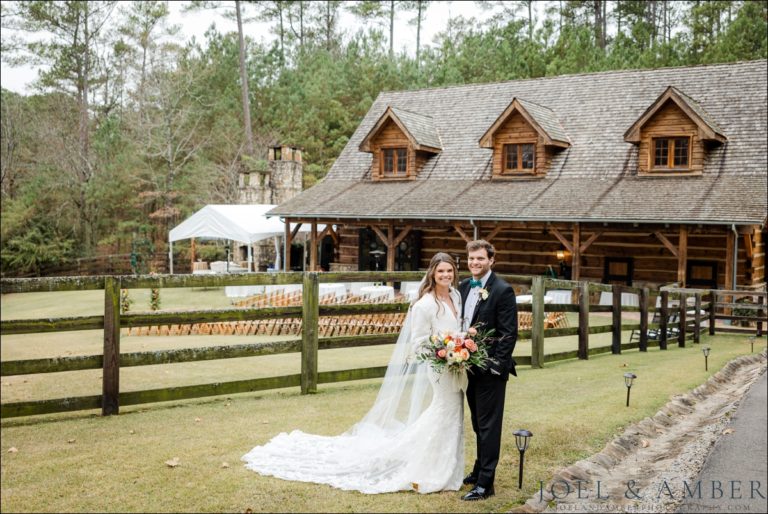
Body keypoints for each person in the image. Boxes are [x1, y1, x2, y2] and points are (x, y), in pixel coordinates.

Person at [242, 253, 466, 494]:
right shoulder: (424, 305)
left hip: (456, 364)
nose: (445, 275)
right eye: (441, 271)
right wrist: (444, 352)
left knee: (453, 411)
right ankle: (431, 466)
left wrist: (461, 347)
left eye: (449, 271)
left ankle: (445, 462)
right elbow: (419, 342)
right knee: (445, 410)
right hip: (439, 367)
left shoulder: (455, 295)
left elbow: (458, 327)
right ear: (432, 273)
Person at [459, 239, 518, 501]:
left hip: (491, 371)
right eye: (472, 258)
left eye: (480, 258)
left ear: (491, 260)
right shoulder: (462, 286)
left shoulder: (502, 290)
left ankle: (486, 484)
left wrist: (495, 367)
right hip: (467, 367)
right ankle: (478, 469)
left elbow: (508, 334)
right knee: (476, 424)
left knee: (489, 426)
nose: (475, 263)